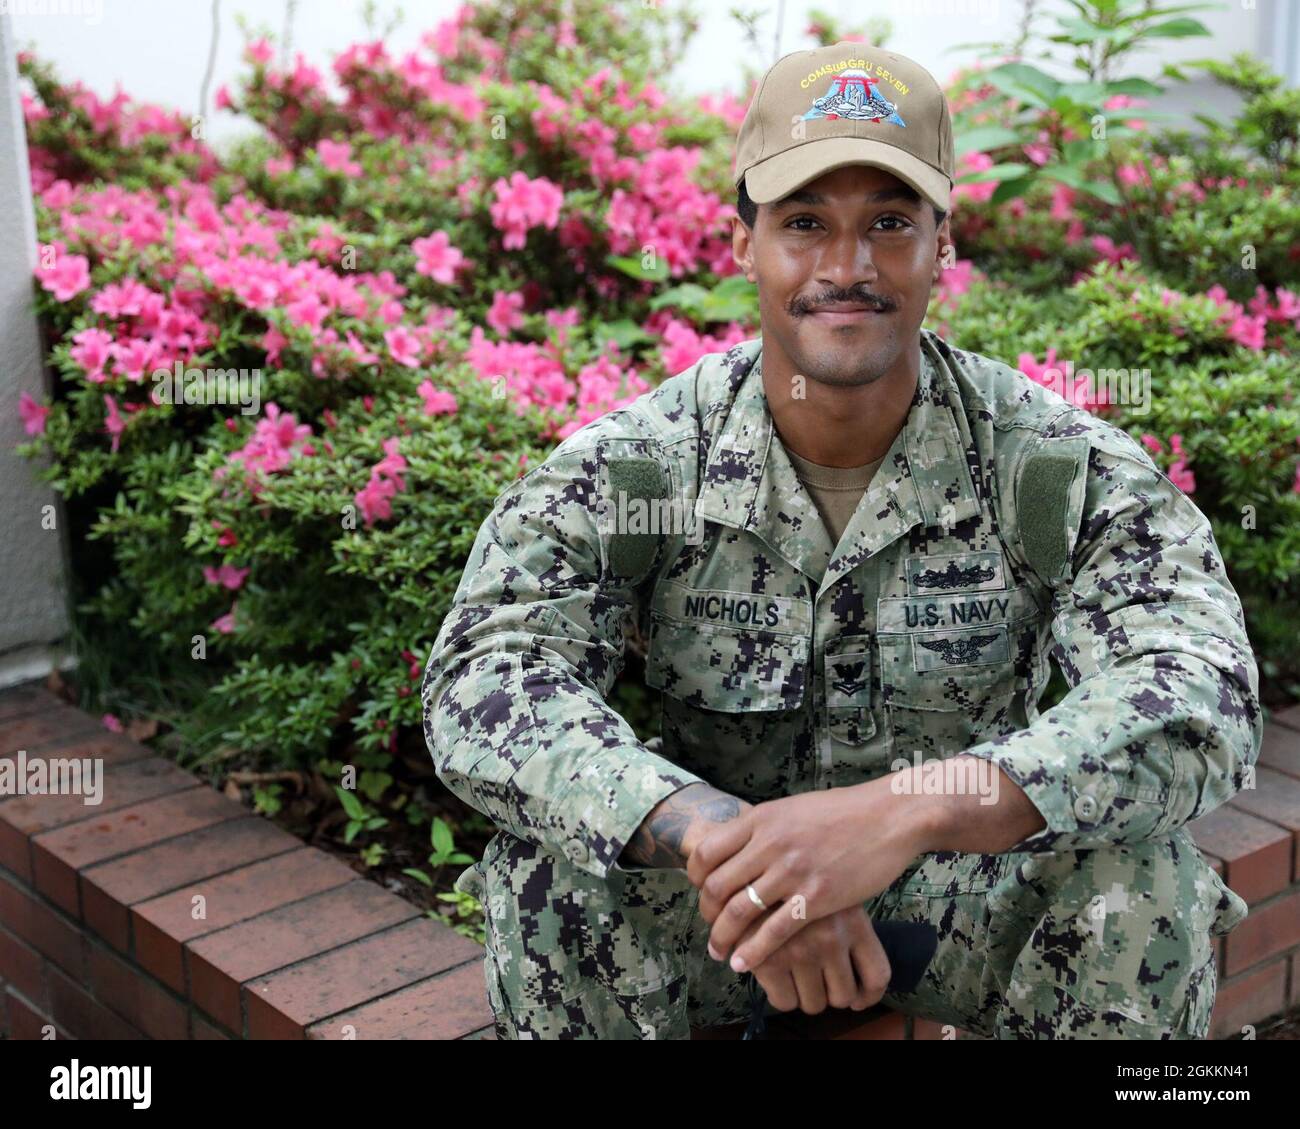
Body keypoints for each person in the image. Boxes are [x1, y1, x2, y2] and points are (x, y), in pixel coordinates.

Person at [421, 41, 1260, 1040]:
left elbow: (1198, 689)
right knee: (549, 883)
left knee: (1141, 880)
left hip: (964, 895)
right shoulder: (645, 465)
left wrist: (902, 812)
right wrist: (726, 841)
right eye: (806, 223)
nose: (846, 268)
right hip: (721, 907)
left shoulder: (1047, 465)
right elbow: (486, 675)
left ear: (940, 244)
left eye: (889, 224)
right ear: (743, 242)